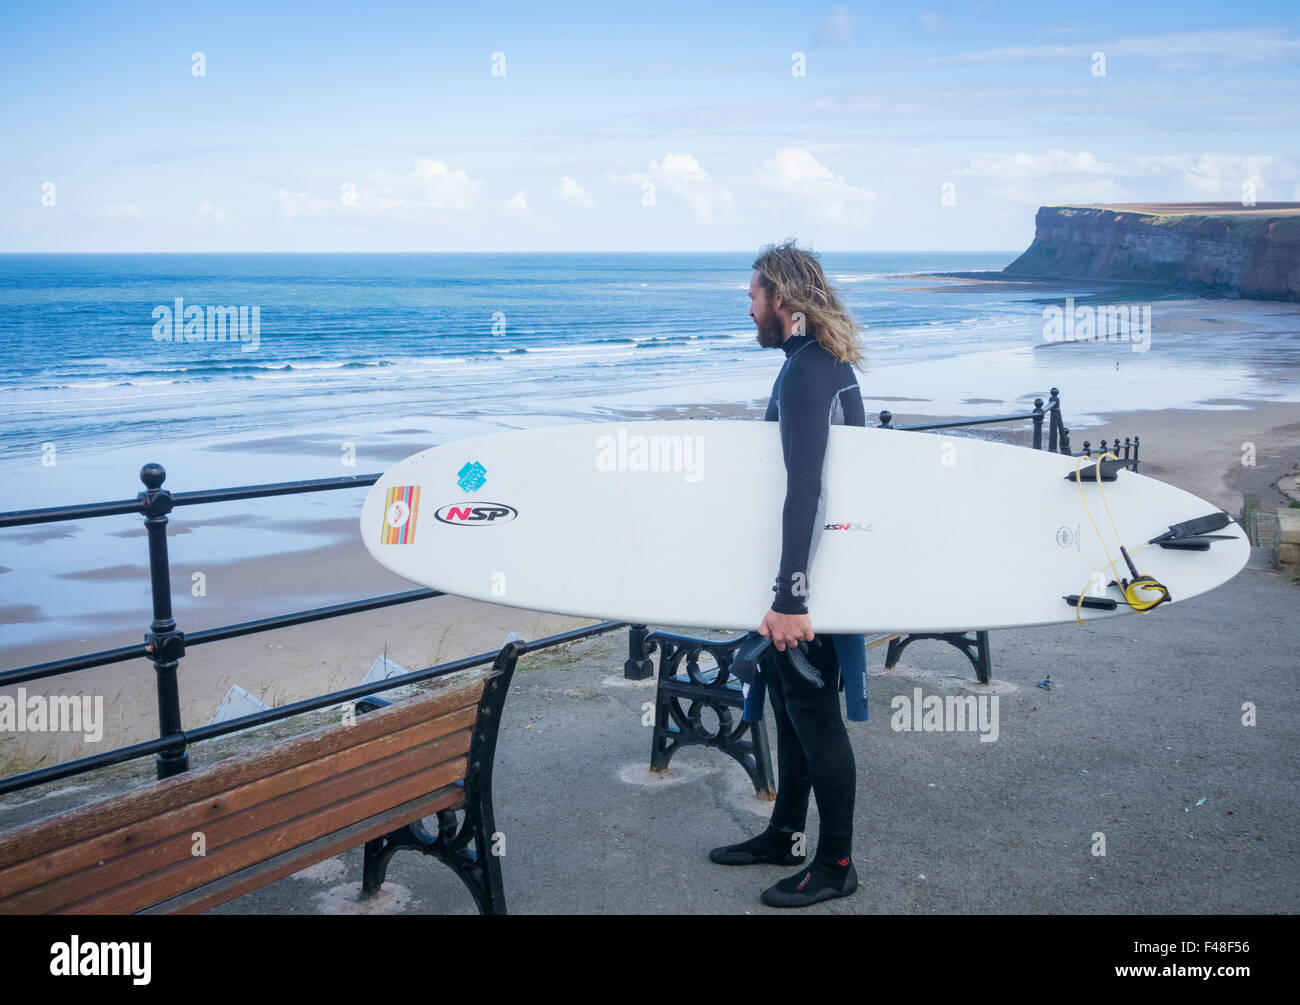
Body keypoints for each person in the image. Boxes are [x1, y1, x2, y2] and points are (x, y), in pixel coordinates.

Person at [708, 240, 867, 908]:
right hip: (817, 571)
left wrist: (789, 596)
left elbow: (808, 489)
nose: (748, 309)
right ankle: (784, 834)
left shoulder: (805, 374)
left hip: (810, 583)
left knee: (814, 716)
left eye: (753, 295)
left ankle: (835, 864)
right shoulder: (825, 365)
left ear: (784, 300)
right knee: (792, 708)